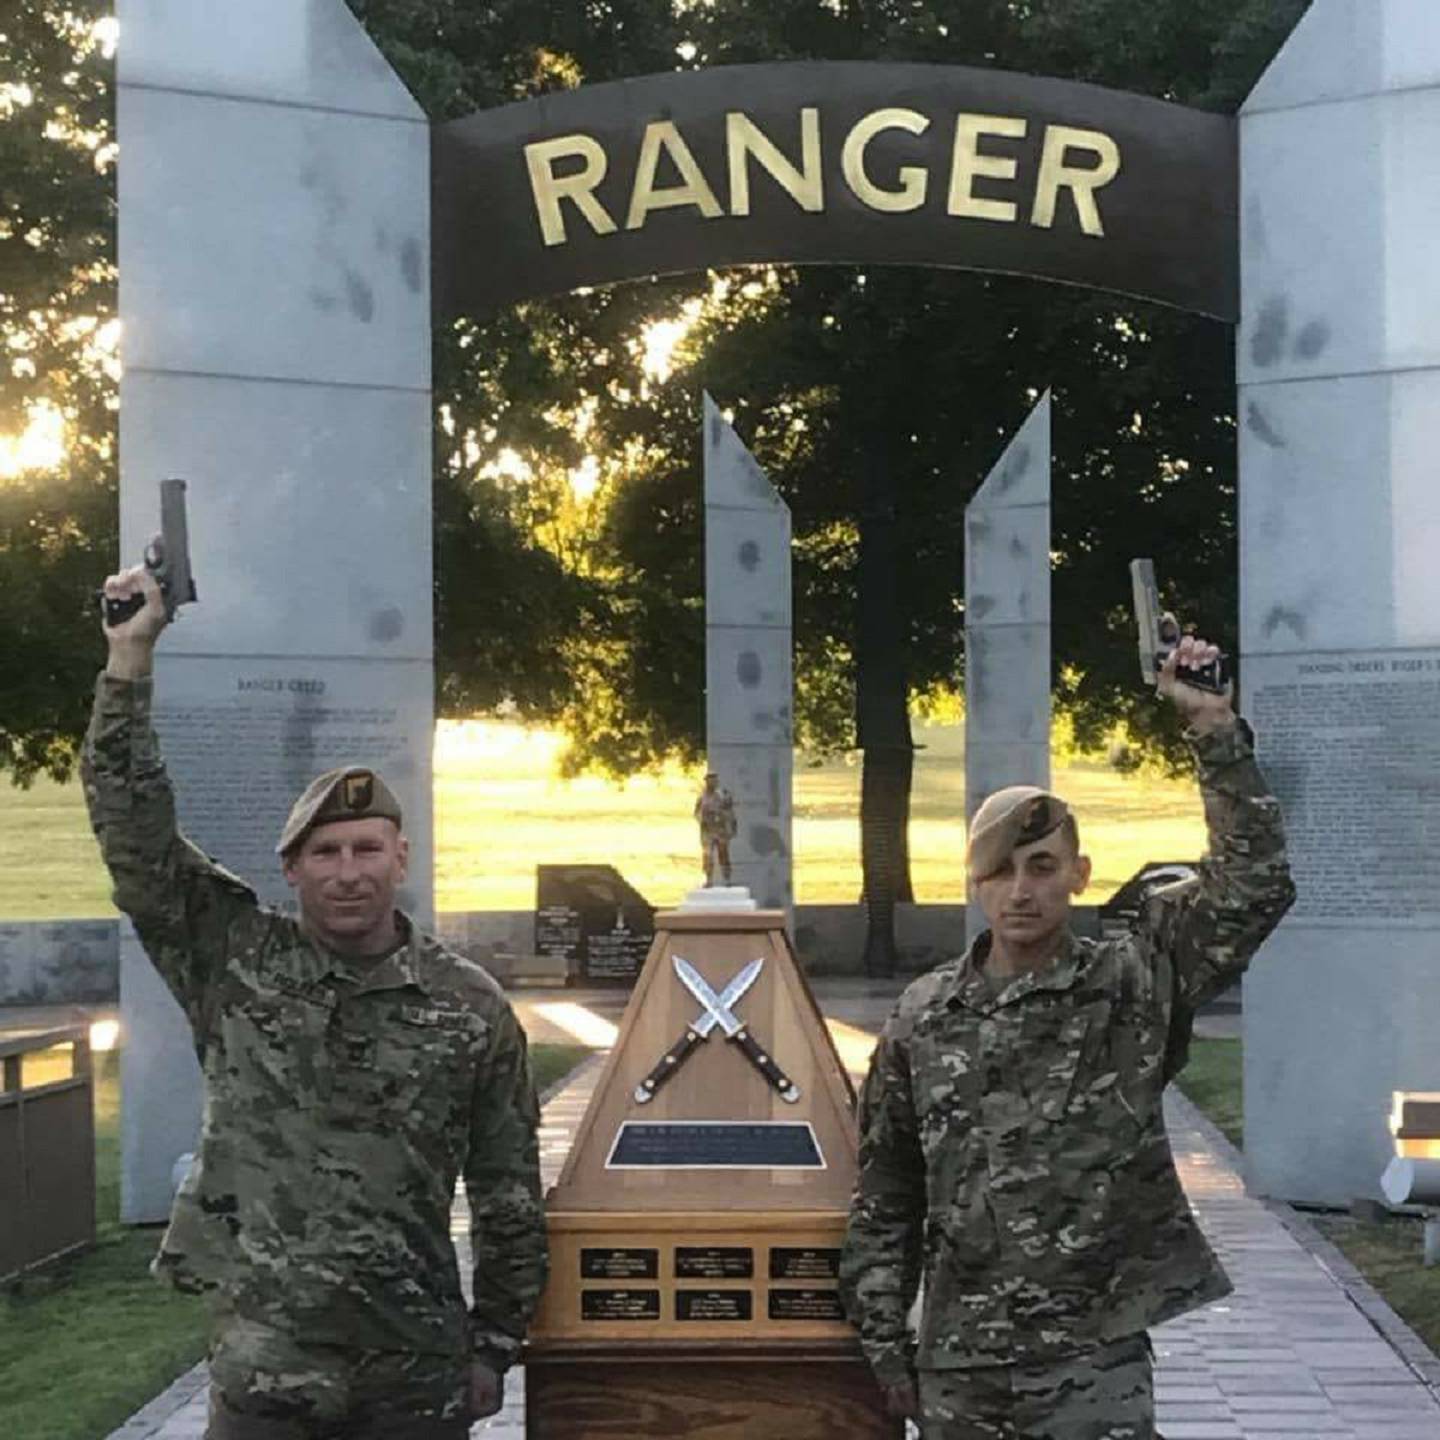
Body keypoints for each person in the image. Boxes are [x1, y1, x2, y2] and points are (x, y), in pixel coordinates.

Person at [83, 565, 548, 1440]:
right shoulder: (235, 960)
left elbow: (508, 1190)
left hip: (414, 1374)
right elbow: (133, 833)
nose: (348, 872)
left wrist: (495, 1341)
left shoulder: (469, 1008)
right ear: (292, 869)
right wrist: (128, 661)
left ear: (400, 857)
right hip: (267, 1369)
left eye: (367, 849)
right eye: (325, 853)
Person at [840, 631, 1296, 1439]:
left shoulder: (1132, 981)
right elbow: (887, 1192)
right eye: (1000, 871)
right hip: (960, 1366)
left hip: (1094, 1365)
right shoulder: (922, 1017)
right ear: (975, 883)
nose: (1021, 890)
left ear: (1079, 876)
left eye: (1042, 866)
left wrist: (1213, 728)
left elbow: (1253, 888)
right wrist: (883, 1340)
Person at [693, 770, 737, 886]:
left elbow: (730, 812)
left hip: (721, 831)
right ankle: (709, 879)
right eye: (710, 780)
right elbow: (696, 813)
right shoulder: (702, 797)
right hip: (707, 831)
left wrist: (731, 826)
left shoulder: (722, 796)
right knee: (708, 856)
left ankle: (727, 879)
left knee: (723, 855)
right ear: (706, 781)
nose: (713, 782)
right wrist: (703, 819)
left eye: (715, 780)